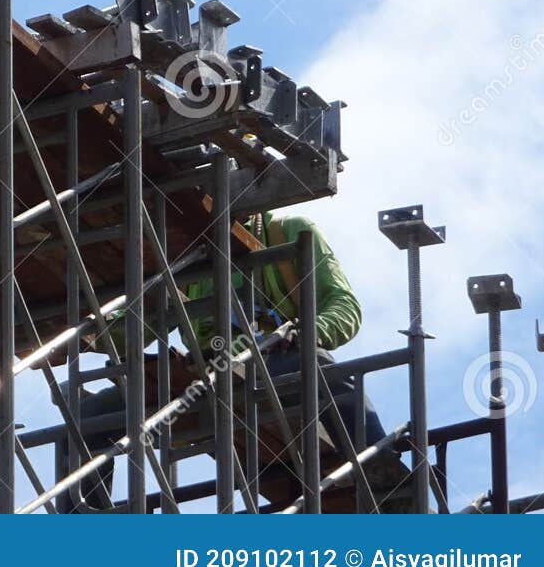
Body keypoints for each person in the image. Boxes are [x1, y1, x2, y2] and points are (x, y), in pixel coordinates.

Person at [69, 208, 407, 510]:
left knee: (320, 369)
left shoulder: (287, 232)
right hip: (205, 375)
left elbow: (344, 306)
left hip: (273, 360)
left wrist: (307, 332)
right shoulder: (184, 253)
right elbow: (139, 326)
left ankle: (384, 474)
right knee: (89, 418)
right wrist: (84, 334)